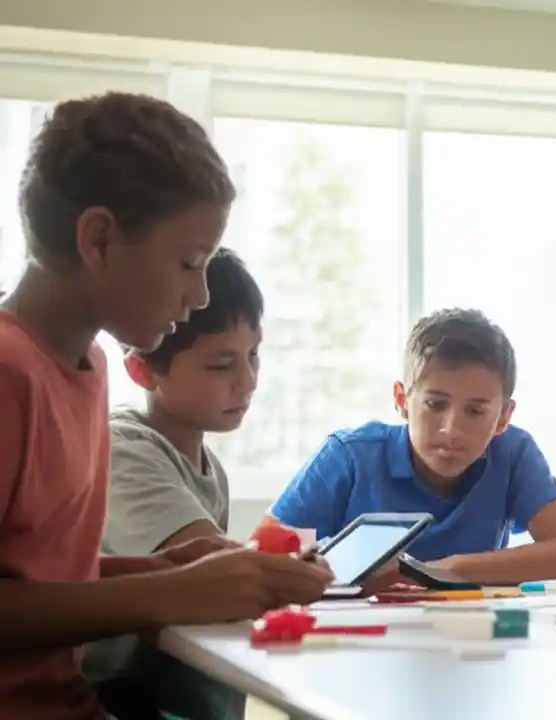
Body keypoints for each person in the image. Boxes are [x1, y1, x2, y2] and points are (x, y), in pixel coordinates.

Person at [0, 92, 331, 719]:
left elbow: (41, 579)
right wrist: (166, 592)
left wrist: (158, 568)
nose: (200, 293)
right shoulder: (9, 369)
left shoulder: (86, 365)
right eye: (188, 263)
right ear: (99, 240)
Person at [260, 308, 556, 586]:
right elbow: (262, 558)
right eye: (435, 404)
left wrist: (439, 571)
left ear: (504, 417)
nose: (451, 429)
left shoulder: (512, 452)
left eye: (475, 411)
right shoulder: (349, 456)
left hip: (465, 634)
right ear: (402, 400)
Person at [103, 247, 262, 557]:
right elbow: (223, 568)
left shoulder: (209, 468)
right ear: (142, 371)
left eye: (253, 354)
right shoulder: (122, 455)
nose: (249, 381)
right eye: (220, 366)